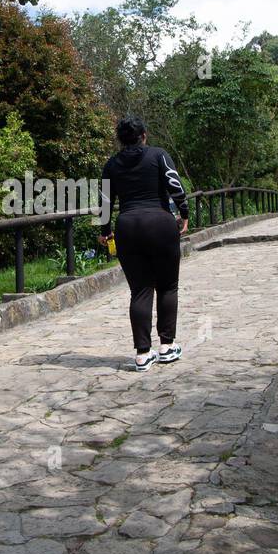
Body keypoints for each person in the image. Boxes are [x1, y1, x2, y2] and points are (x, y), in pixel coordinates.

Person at [98, 116, 189, 372]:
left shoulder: (111, 164)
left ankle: (142, 354)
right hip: (160, 223)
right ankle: (167, 346)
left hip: (127, 227)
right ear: (144, 136)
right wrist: (185, 213)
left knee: (140, 290)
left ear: (121, 140)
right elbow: (175, 185)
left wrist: (105, 231)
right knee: (168, 286)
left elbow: (104, 200)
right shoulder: (159, 156)